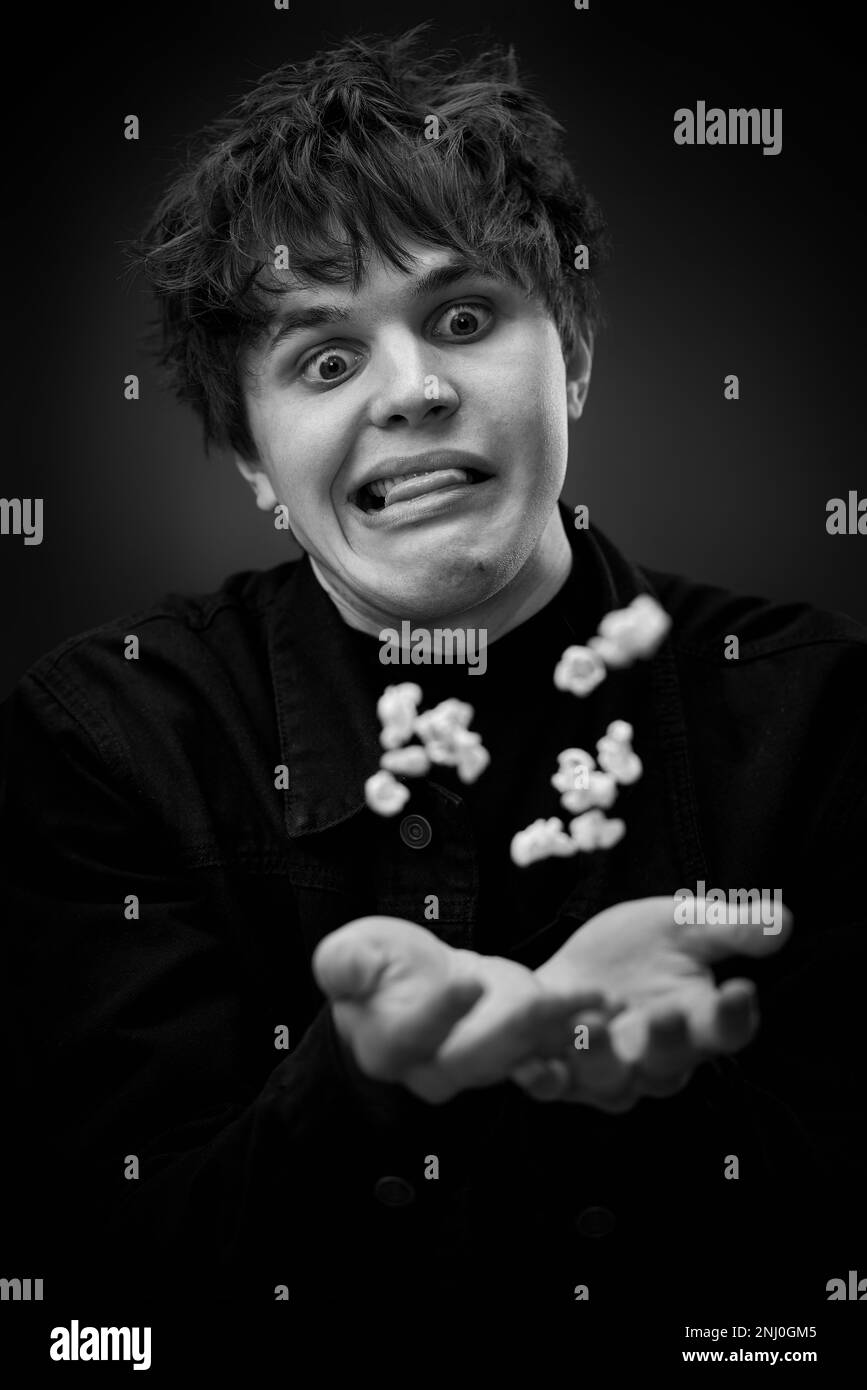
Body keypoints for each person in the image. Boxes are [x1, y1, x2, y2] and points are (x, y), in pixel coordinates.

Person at [2, 23, 864, 1339]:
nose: (409, 391)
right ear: (252, 463)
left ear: (571, 355)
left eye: (463, 316)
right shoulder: (104, 744)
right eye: (325, 357)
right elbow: (97, 1301)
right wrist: (367, 1080)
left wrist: (629, 1072)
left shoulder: (819, 718)